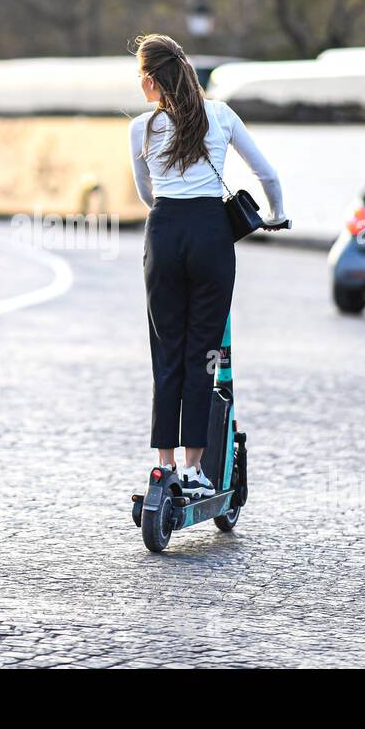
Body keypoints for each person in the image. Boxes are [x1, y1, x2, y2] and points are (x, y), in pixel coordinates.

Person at [129, 34, 286, 498]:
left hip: (164, 232)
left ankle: (164, 464)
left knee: (166, 352)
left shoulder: (140, 128)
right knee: (204, 354)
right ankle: (197, 470)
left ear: (152, 81)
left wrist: (166, 209)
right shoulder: (220, 115)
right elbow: (268, 175)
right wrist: (275, 215)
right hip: (211, 236)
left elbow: (145, 192)